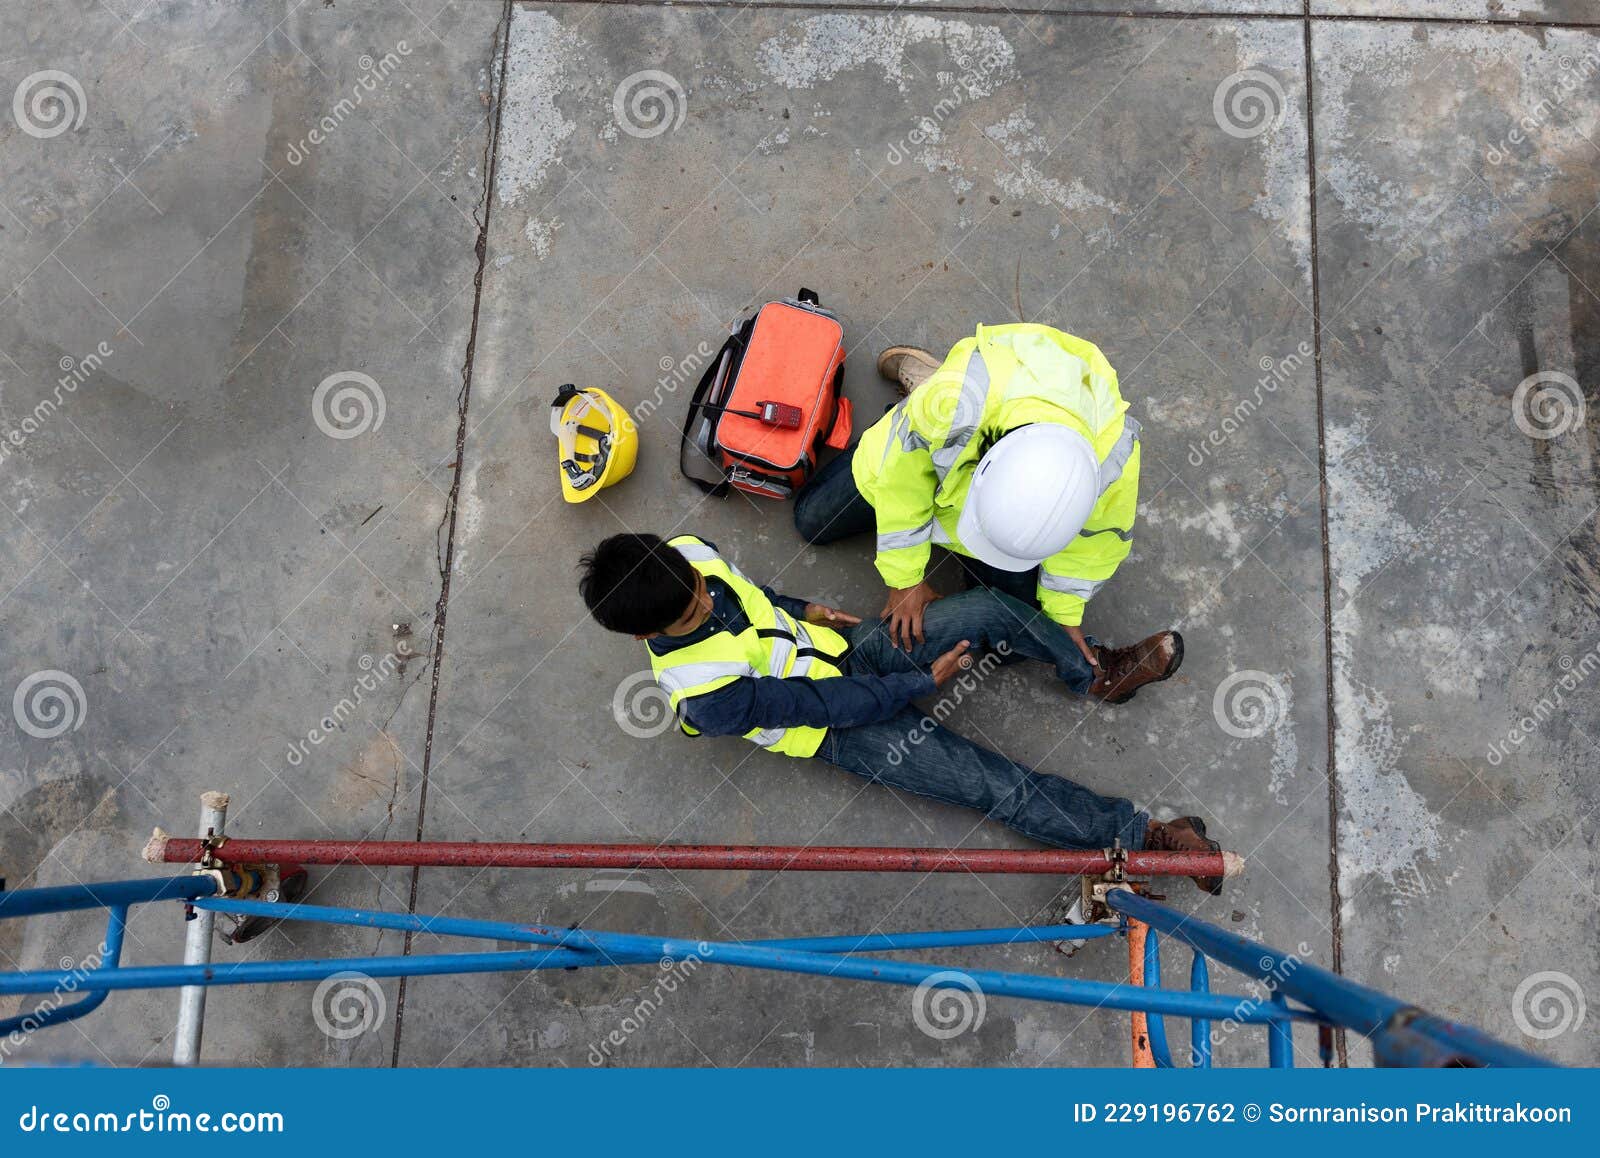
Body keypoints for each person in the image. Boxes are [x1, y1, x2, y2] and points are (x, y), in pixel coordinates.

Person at [577, 531, 1225, 893]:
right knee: (986, 783)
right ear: (646, 638)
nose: (703, 600)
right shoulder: (703, 693)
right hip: (837, 727)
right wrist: (920, 679)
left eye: (696, 587)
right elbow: (819, 705)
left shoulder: (691, 553)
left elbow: (753, 593)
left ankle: (1096, 677)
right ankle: (1143, 837)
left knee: (990, 612)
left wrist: (804, 610)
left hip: (843, 646)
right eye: (690, 611)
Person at [794, 323, 1181, 705]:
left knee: (1008, 647)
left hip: (976, 467)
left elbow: (1094, 546)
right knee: (812, 520)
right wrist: (905, 579)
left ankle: (1095, 669)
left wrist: (1064, 616)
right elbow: (902, 480)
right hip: (936, 430)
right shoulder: (959, 401)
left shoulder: (1113, 459)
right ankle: (924, 390)